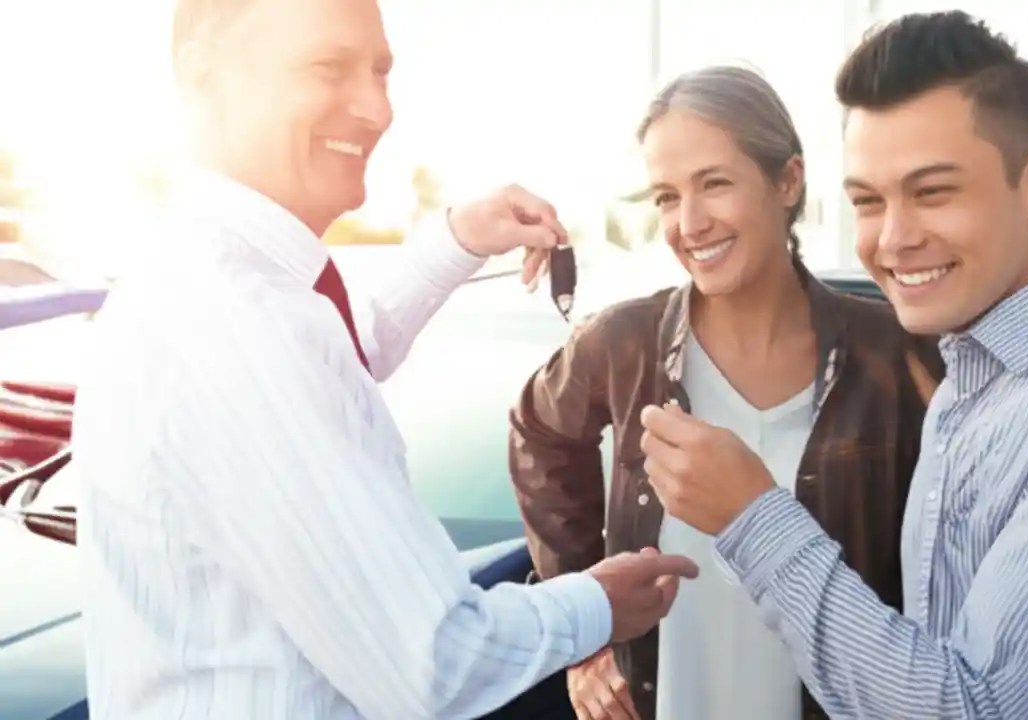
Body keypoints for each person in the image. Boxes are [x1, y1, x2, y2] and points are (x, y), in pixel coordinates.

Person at [73, 1, 697, 718]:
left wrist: (457, 240)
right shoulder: (240, 324)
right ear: (206, 78)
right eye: (327, 66)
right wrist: (600, 603)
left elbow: (339, 359)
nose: (376, 108)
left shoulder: (212, 283)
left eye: (380, 71)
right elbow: (434, 664)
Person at [639, 11, 1028, 719]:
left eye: (933, 192)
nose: (893, 238)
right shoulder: (966, 379)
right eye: (867, 201)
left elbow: (968, 708)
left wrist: (752, 516)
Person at [508, 65, 942, 720]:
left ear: (787, 180)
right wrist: (584, 629)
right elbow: (537, 432)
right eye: (665, 196)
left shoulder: (896, 352)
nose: (689, 222)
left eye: (714, 184)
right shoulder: (624, 344)